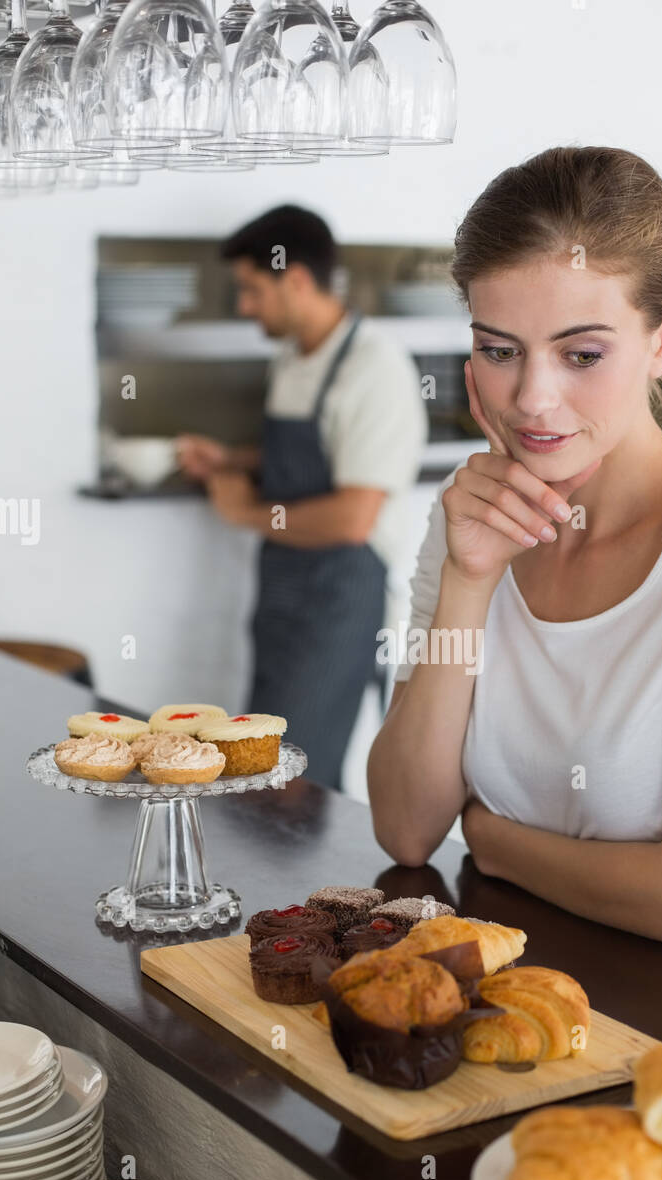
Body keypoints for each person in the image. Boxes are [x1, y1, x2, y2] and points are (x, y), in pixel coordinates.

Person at [367, 146, 662, 979]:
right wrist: (470, 583)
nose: (531, 400)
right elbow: (407, 826)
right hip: (519, 1013)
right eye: (500, 349)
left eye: (582, 355)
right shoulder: (471, 515)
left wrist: (496, 842)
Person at [177, 205, 427, 790]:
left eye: (250, 290)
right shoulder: (292, 356)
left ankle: (325, 889)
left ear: (295, 279)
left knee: (297, 784)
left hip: (339, 606)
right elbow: (307, 454)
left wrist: (240, 511)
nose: (243, 307)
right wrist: (232, 460)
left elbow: (354, 517)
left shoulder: (374, 367)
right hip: (281, 596)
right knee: (254, 765)